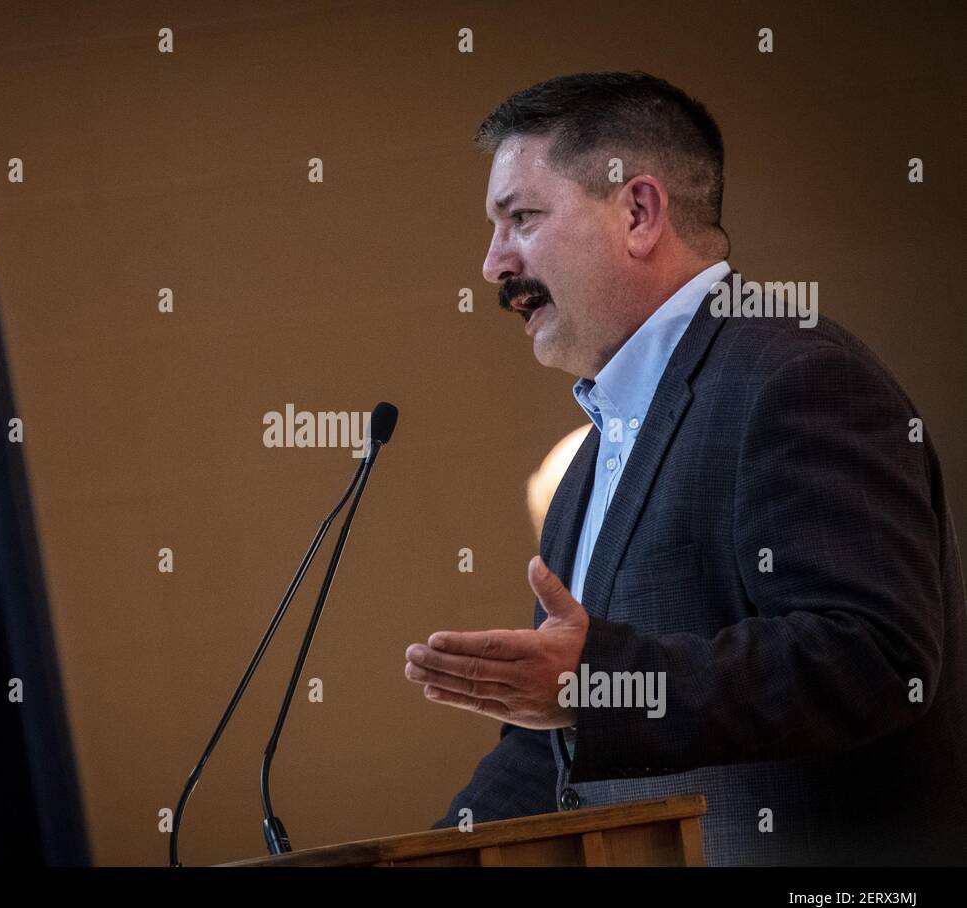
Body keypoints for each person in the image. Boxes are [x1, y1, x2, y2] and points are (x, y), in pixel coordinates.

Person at [403, 71, 967, 865]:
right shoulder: (588, 466)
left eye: (522, 218)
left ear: (638, 212)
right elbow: (556, 755)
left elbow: (875, 657)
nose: (494, 263)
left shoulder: (792, 375)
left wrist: (598, 683)